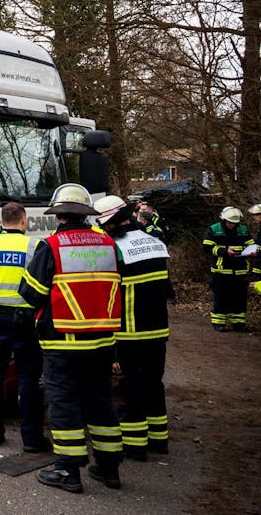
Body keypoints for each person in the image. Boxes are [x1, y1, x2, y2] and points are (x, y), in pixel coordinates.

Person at [19, 184, 124, 493]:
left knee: (64, 403)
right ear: (85, 214)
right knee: (101, 401)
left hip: (63, 341)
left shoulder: (51, 246)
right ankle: (109, 468)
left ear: (59, 214)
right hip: (102, 340)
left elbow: (31, 292)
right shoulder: (108, 244)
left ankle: (68, 470)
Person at [94, 195, 173, 460]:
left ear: (111, 223)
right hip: (158, 330)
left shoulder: (115, 249)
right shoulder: (155, 242)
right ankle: (159, 439)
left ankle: (135, 445)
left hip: (130, 332)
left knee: (130, 386)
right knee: (154, 383)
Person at [0, 202, 47, 452]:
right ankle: (32, 439)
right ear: (24, 220)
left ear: (2, 221)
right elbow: (40, 285)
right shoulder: (34, 246)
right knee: (28, 379)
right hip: (24, 321)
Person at [202, 206, 253, 332]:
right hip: (221, 271)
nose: (232, 225)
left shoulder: (243, 229)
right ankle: (219, 323)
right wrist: (224, 251)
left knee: (240, 298)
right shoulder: (214, 229)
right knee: (221, 298)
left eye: (234, 223)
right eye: (229, 222)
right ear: (224, 220)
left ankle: (238, 323)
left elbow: (251, 244)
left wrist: (253, 251)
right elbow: (207, 247)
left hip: (241, 270)